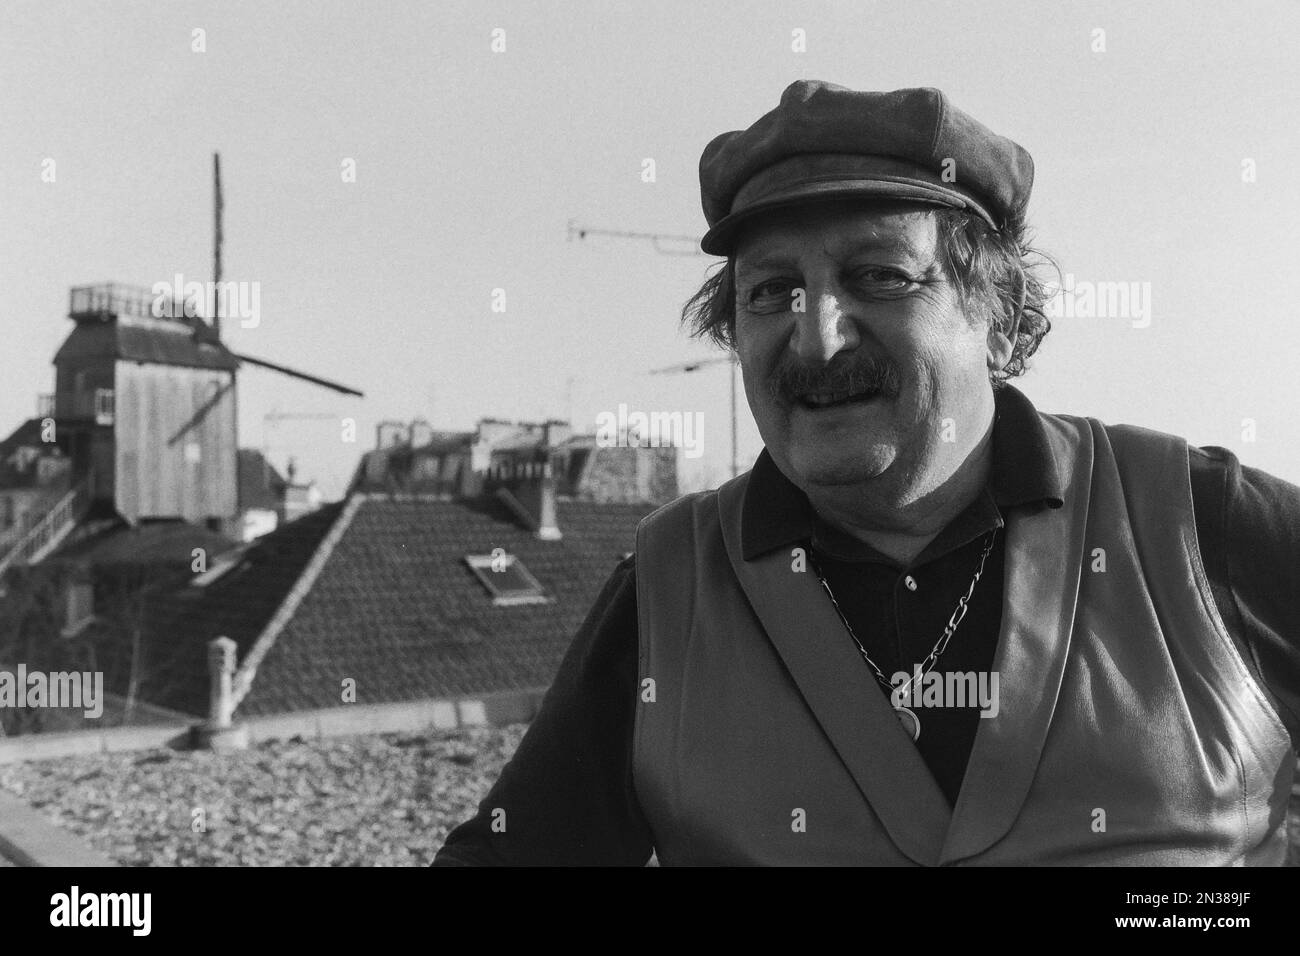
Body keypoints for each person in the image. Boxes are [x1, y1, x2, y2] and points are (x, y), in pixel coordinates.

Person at [434, 80, 1300, 866]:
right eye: (771, 293)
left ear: (999, 321)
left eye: (878, 276)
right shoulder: (669, 586)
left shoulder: (1197, 524)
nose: (816, 339)